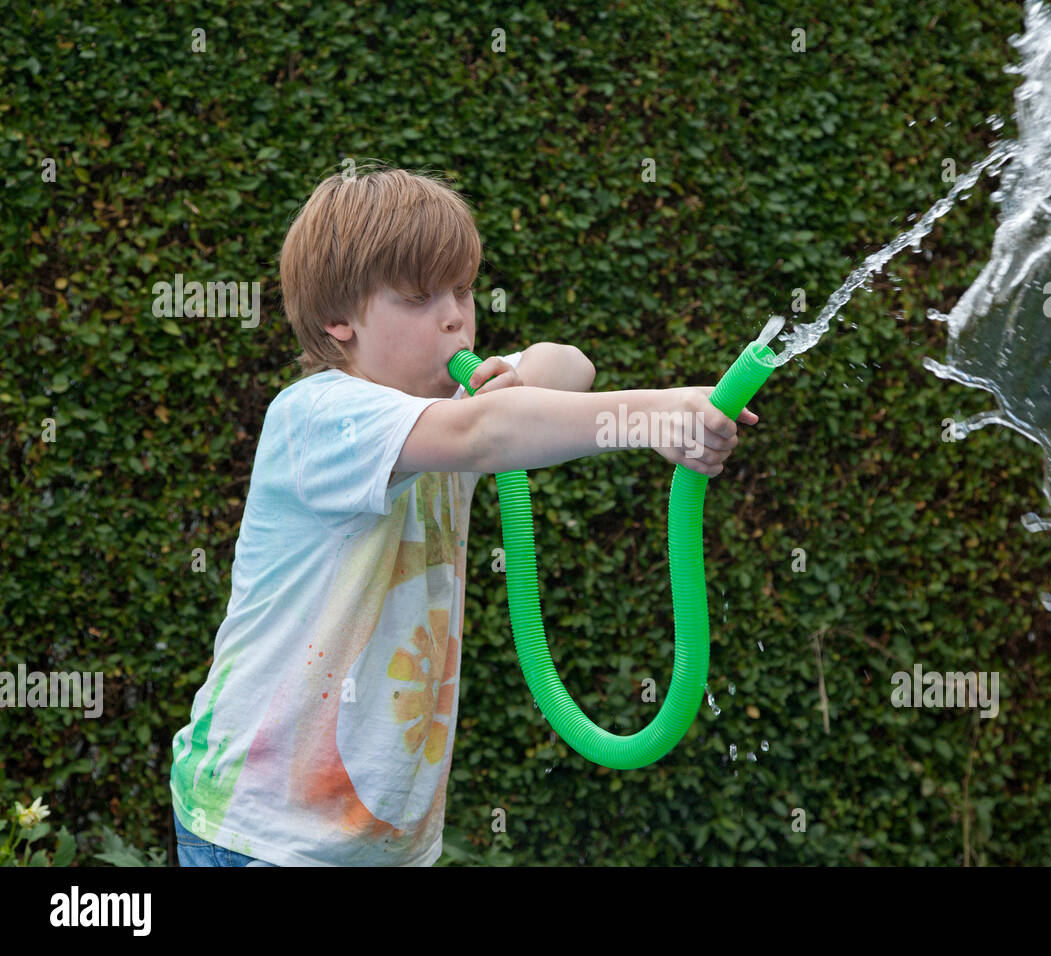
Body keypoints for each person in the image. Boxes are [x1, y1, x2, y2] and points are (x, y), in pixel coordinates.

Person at [169, 165, 759, 866]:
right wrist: (654, 416)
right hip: (262, 830)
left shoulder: (451, 405)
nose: (454, 315)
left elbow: (571, 365)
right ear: (340, 321)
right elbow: (489, 435)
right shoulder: (321, 415)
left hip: (377, 844)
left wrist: (540, 380)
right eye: (420, 297)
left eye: (463, 291)